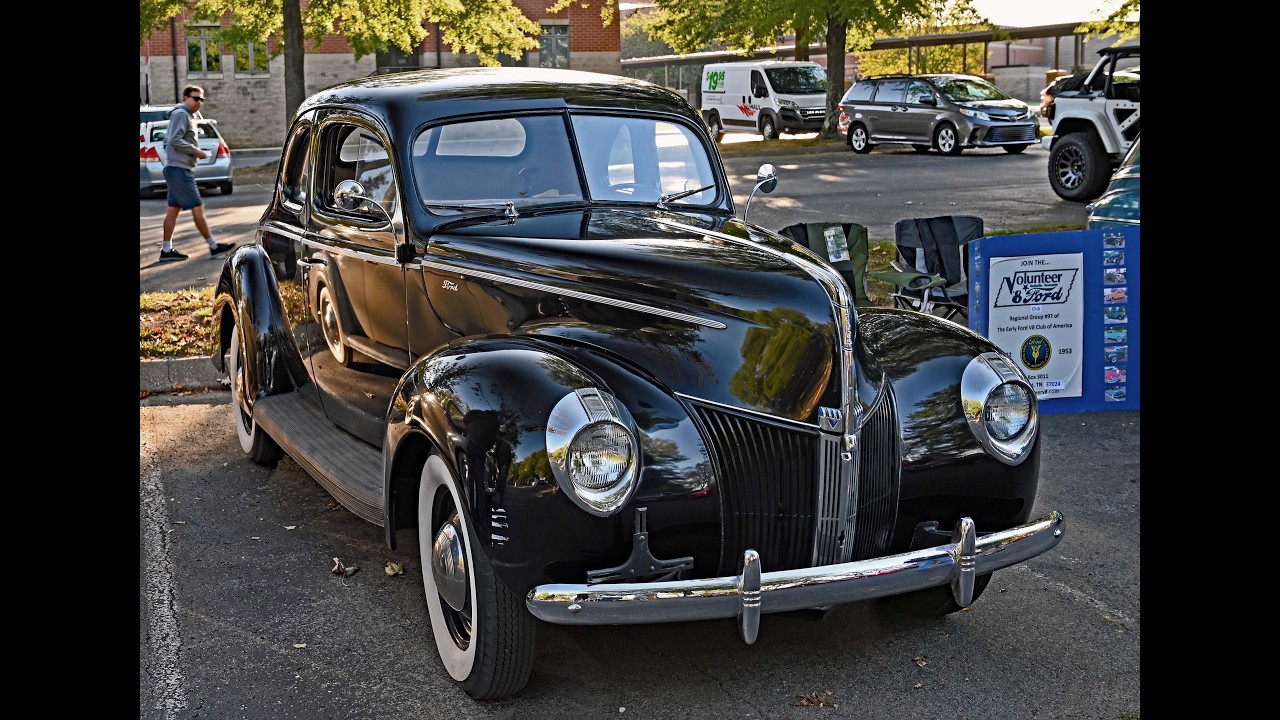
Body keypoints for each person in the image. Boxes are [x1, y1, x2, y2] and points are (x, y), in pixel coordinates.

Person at [158, 85, 236, 262]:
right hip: (179, 170)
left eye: (202, 99)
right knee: (197, 207)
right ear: (186, 98)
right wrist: (196, 151)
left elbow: (167, 141)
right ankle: (214, 246)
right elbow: (173, 140)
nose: (199, 102)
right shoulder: (181, 114)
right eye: (195, 98)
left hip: (178, 168)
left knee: (173, 210)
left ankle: (166, 250)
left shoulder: (188, 116)